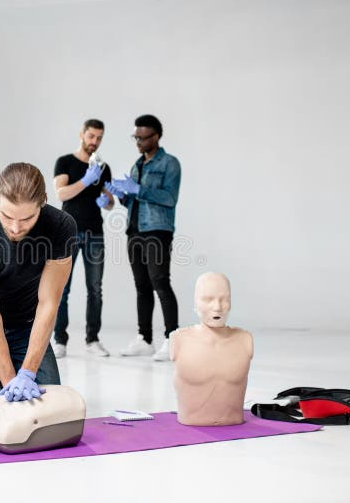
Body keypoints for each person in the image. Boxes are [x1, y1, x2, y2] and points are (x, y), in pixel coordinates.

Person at [0, 162, 77, 408]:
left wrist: (27, 373)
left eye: (27, 218)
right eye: (7, 216)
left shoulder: (61, 226)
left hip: (27, 323)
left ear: (43, 202)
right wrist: (10, 385)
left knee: (52, 408)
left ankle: (1, 376)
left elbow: (49, 304)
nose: (16, 227)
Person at [105, 114, 181, 361]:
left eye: (143, 137)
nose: (138, 142)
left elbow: (169, 198)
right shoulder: (137, 165)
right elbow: (133, 202)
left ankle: (172, 338)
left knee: (160, 281)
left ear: (156, 136)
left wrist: (138, 189)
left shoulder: (169, 163)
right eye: (135, 137)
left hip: (157, 230)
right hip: (134, 230)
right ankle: (145, 339)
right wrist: (122, 195)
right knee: (142, 286)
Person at [52, 118, 114, 358]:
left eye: (99, 138)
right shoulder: (65, 162)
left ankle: (93, 340)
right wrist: (86, 180)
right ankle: (60, 341)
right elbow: (61, 193)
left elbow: (109, 202)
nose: (94, 142)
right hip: (68, 232)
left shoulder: (103, 167)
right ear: (82, 134)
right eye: (91, 136)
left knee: (95, 289)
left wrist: (106, 201)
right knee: (62, 288)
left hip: (95, 233)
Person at [170, 272, 253, 426]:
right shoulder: (178, 340)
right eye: (208, 299)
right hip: (192, 426)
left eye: (225, 299)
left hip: (233, 424)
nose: (217, 307)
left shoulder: (245, 339)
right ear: (195, 303)